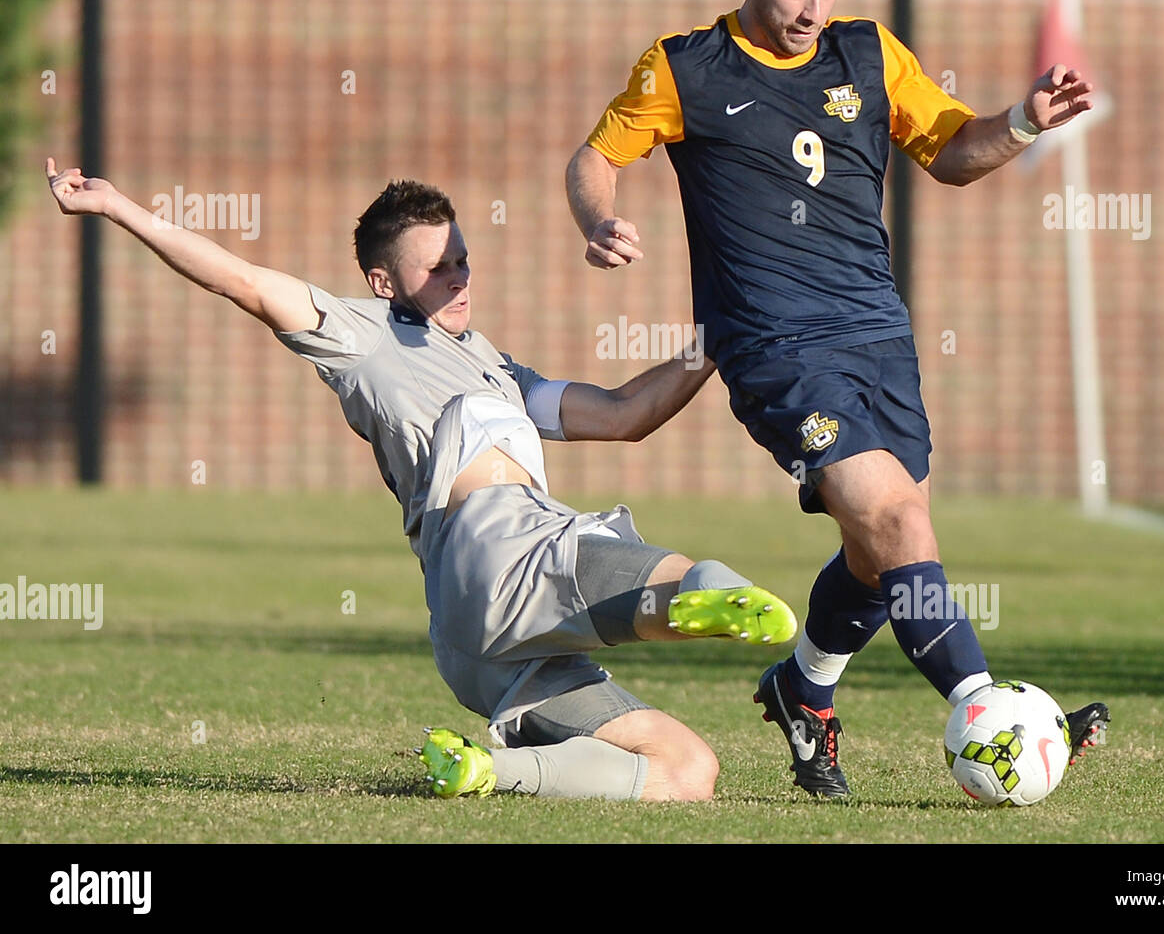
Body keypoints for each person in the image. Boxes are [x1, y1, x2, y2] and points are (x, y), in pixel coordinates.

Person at [565, 0, 1108, 798]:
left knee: (878, 548)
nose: (813, 13)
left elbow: (952, 152)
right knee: (900, 522)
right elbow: (595, 157)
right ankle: (989, 706)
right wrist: (599, 218)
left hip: (877, 334)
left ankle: (803, 691)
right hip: (774, 346)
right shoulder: (685, 68)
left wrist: (1022, 122)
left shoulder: (868, 53)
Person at [45, 158, 799, 803]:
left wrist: (714, 344)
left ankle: (486, 770)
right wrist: (116, 206)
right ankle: (738, 608)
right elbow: (239, 279)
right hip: (501, 546)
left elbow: (626, 412)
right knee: (692, 587)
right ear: (383, 280)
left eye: (463, 258)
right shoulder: (362, 335)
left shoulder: (500, 369)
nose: (458, 277)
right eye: (436, 268)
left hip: (474, 638)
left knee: (687, 768)